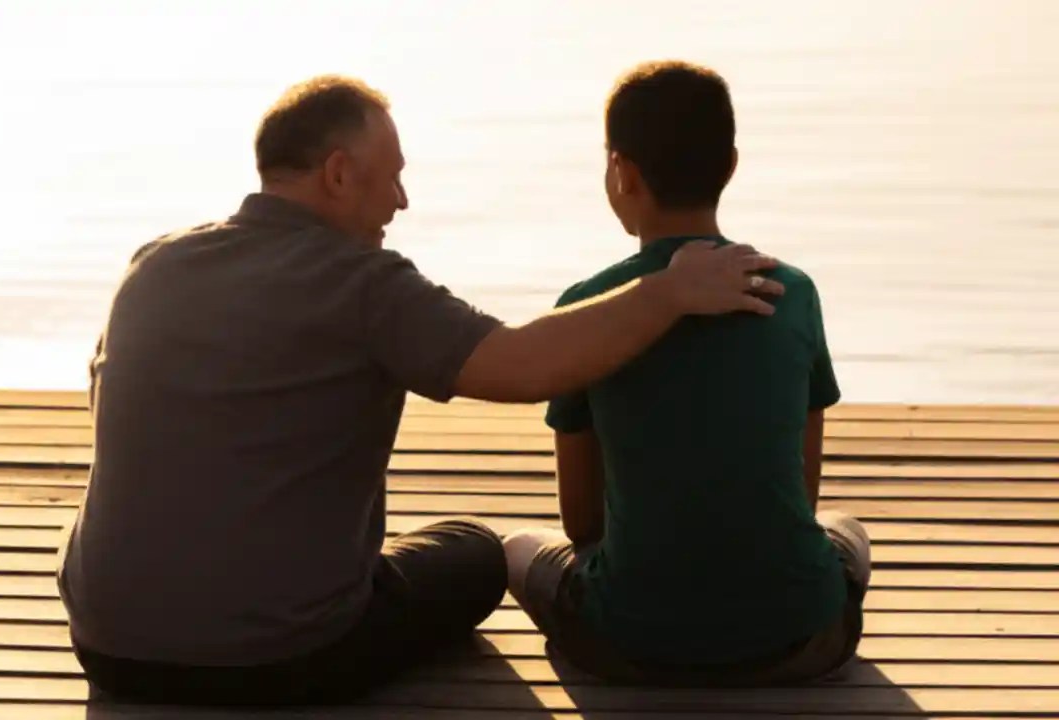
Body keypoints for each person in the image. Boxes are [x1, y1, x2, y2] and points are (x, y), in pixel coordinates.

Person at [59, 74, 787, 706]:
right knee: (474, 551)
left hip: (110, 646)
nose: (402, 200)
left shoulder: (153, 266)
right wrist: (669, 292)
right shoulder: (364, 284)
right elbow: (522, 365)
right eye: (393, 176)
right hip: (282, 658)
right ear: (338, 174)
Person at [503, 61, 872, 686]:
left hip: (626, 647)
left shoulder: (587, 308)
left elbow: (582, 524)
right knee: (846, 531)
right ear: (731, 165)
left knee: (517, 548)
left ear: (622, 171)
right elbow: (801, 499)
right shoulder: (794, 293)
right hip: (801, 640)